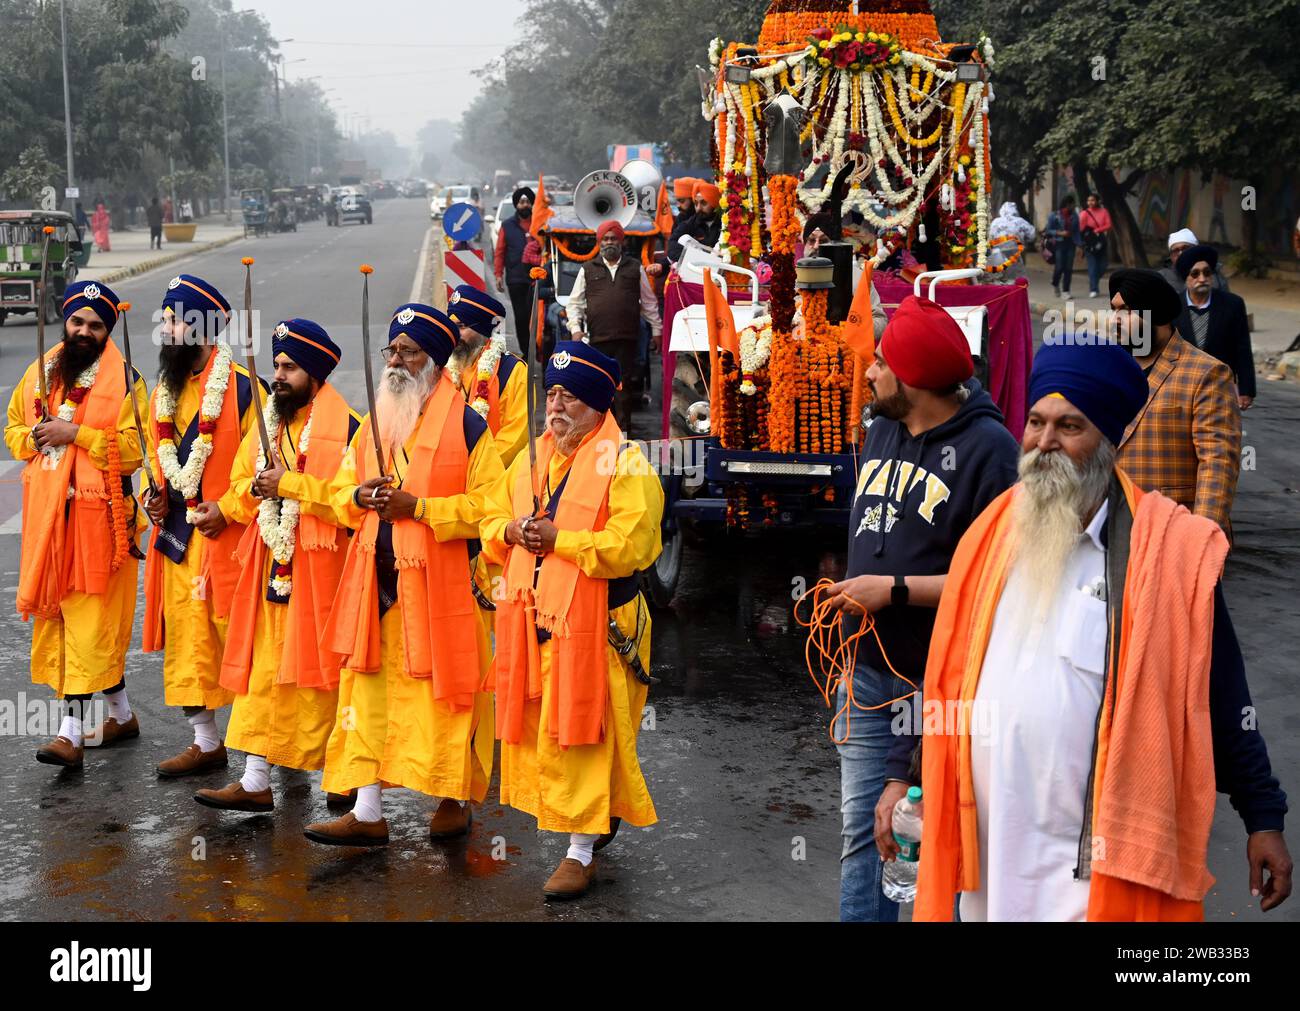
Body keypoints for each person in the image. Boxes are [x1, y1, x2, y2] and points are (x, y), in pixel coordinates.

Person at [910, 339, 1291, 921]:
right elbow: (948, 677)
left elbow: (1222, 694)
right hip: (991, 854)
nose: (1044, 443)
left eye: (1070, 426)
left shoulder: (1171, 553)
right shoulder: (990, 536)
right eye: (1036, 422)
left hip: (1093, 868)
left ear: (1108, 443)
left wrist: (1263, 817)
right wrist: (903, 778)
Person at [817, 296, 1019, 921]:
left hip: (946, 685)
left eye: (880, 363)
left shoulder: (992, 451)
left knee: (943, 839)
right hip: (868, 673)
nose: (869, 372)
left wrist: (894, 588)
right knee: (863, 835)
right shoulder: (882, 427)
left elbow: (998, 577)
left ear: (915, 379)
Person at [305, 303, 504, 847]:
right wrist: (357, 495)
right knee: (368, 694)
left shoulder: (468, 424)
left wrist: (421, 508)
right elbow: (344, 492)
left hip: (440, 584)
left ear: (436, 362)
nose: (396, 361)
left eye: (408, 352)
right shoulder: (376, 418)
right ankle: (367, 811)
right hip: (375, 580)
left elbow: (491, 508)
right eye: (392, 350)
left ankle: (451, 797)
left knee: (442, 697)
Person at [482, 341, 663, 899]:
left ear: (598, 407)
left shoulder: (626, 462)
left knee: (586, 736)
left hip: (600, 627)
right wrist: (509, 532)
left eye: (571, 398)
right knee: (547, 734)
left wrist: (565, 541)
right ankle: (585, 824)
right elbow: (489, 519)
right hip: (532, 621)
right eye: (552, 394)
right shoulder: (530, 458)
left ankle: (579, 852)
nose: (556, 407)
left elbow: (632, 547)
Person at [194, 321, 361, 813]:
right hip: (271, 566)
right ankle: (254, 779)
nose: (279, 376)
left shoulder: (349, 427)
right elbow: (248, 481)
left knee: (322, 679)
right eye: (276, 366)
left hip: (325, 574)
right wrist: (224, 508)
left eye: (290, 367)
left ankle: (343, 773)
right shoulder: (267, 422)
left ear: (316, 373)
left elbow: (349, 503)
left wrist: (290, 485)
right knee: (263, 673)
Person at [4, 281, 149, 769]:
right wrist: (36, 436)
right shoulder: (41, 372)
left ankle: (70, 734)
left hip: (101, 525)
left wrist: (77, 433)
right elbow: (13, 431)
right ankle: (122, 714)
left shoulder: (127, 380)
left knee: (87, 625)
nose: (84, 331)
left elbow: (134, 450)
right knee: (63, 620)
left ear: (108, 332)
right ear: (66, 322)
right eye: (77, 322)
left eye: (96, 325)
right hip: (49, 522)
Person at [141, 274, 266, 778]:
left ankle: (261, 754)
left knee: (245, 644)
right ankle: (206, 742)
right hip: (178, 538)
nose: (166, 329)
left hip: (231, 540)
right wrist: (153, 497)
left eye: (174, 321)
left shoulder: (243, 390)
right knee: (190, 642)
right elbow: (160, 459)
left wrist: (228, 508)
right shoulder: (162, 393)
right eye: (165, 320)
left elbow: (265, 471)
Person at [1109, 269, 1240, 531]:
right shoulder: (1108, 366)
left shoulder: (1207, 373)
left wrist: (1201, 537)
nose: (1116, 320)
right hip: (1112, 532)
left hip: (1172, 529)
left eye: (1128, 310)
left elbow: (1217, 464)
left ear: (1156, 314)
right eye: (1114, 310)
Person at [566, 221, 662, 433]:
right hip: (597, 340)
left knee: (623, 387)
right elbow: (574, 303)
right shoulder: (588, 269)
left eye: (613, 239)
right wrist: (576, 329)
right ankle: (598, 432)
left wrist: (657, 331)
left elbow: (649, 303)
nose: (609, 243)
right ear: (599, 242)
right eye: (605, 239)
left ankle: (622, 433)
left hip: (626, 339)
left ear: (622, 241)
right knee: (599, 386)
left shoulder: (635, 267)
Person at [445, 285, 528, 470]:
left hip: (493, 476)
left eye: (462, 327)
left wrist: (477, 467)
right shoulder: (445, 368)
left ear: (482, 330)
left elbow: (516, 436)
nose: (454, 334)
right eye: (452, 327)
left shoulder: (513, 371)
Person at [1175, 244, 1255, 411]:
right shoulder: (1173, 307)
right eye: (1195, 274)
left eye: (1207, 273)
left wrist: (1246, 389)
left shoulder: (1232, 305)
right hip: (1182, 389)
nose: (1202, 278)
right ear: (1186, 277)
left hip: (1221, 389)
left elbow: (1242, 348)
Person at [494, 186, 537, 342]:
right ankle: (526, 351)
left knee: (536, 316)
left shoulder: (540, 223)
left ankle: (539, 349)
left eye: (527, 202)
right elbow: (499, 252)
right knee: (521, 317)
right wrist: (498, 275)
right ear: (516, 205)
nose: (525, 205)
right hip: (516, 278)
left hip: (538, 279)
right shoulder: (507, 225)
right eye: (521, 202)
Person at [1160, 228, 1231, 293]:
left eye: (1185, 248)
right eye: (1175, 250)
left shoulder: (1214, 275)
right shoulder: (1162, 278)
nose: (1180, 253)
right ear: (1170, 255)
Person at [1078, 193, 1112, 298]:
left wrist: (1098, 230)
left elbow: (1108, 224)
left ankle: (1094, 280)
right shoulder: (1084, 213)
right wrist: (1081, 243)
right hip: (1089, 243)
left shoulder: (1104, 212)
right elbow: (1080, 229)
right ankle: (1094, 289)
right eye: (1088, 201)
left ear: (1097, 201)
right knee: (1092, 266)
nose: (1090, 202)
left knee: (1104, 264)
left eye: (1092, 200)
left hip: (1101, 241)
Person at [1045, 195, 1078, 298]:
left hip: (1071, 243)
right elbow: (1048, 230)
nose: (1073, 206)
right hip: (1059, 243)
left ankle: (1066, 291)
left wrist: (1080, 245)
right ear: (1067, 204)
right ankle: (1055, 283)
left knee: (1068, 268)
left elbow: (1077, 231)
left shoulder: (1075, 215)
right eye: (1072, 204)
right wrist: (1059, 233)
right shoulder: (1054, 215)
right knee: (1059, 267)